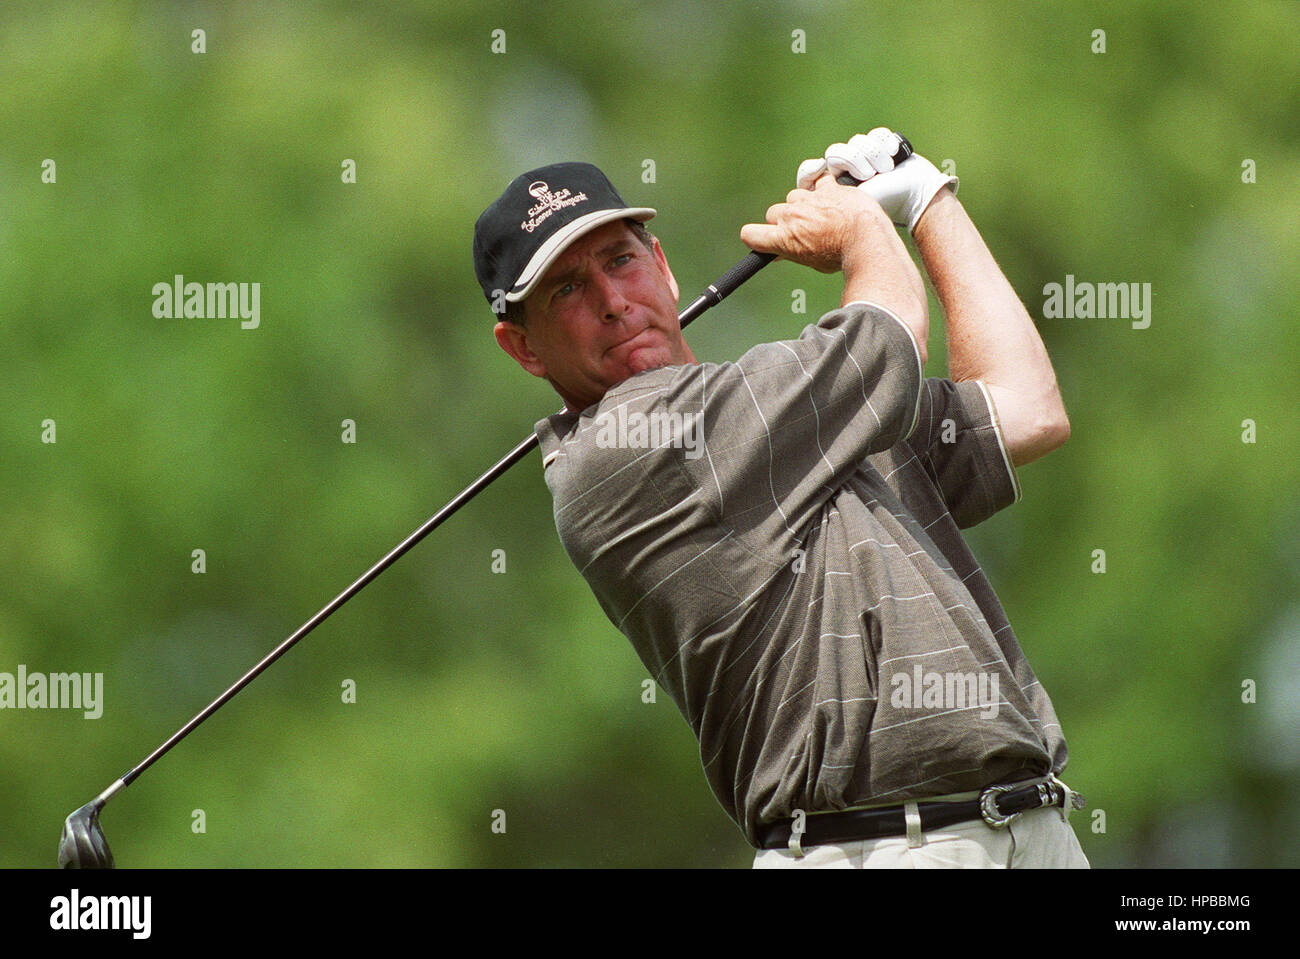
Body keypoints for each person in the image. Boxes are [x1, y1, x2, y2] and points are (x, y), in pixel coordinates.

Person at [472, 129, 1089, 868]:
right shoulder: (613, 453)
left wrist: (929, 200)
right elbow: (888, 340)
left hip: (1034, 825)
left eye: (620, 261)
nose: (611, 301)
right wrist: (863, 226)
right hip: (870, 848)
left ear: (662, 269)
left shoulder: (814, 411)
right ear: (525, 348)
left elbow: (1028, 406)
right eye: (566, 289)